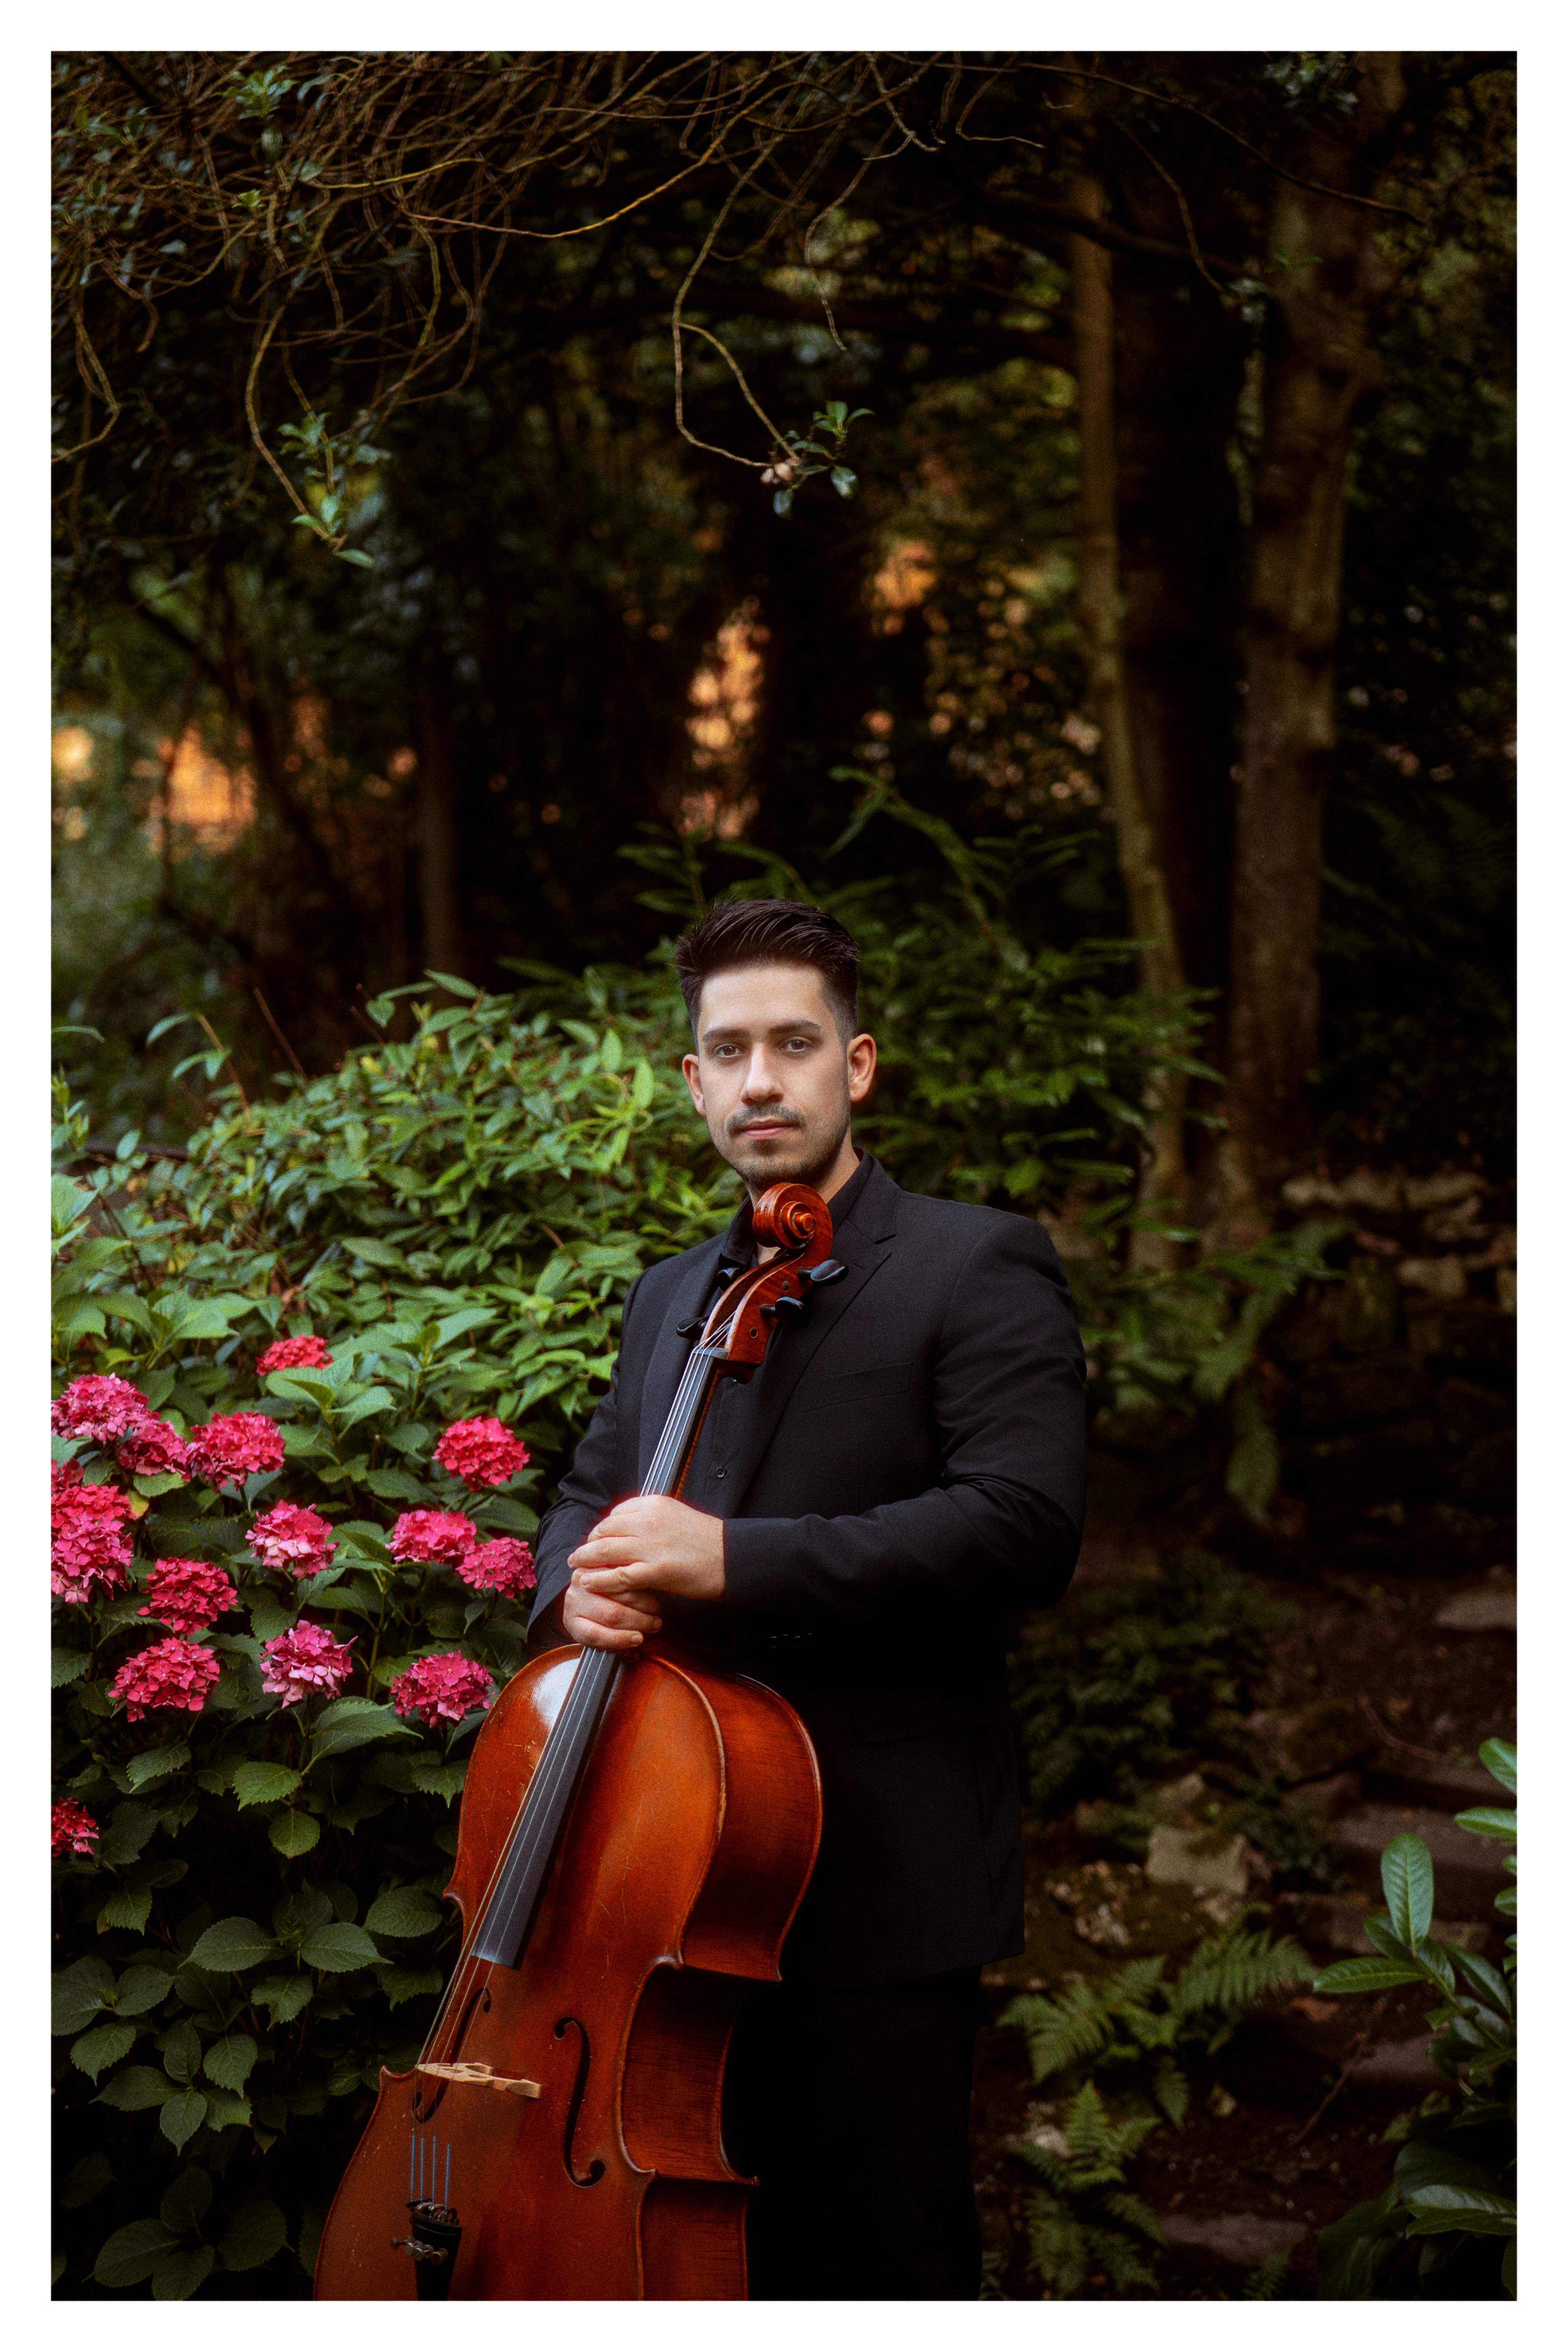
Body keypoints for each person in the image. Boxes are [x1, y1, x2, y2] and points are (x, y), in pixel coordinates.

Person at [527, 896, 1085, 2299]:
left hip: (881, 1870)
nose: (761, 1078)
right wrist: (569, 1595)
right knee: (710, 2251)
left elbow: (1023, 1528)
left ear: (860, 1064)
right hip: (662, 1867)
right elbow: (589, 1502)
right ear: (695, 1080)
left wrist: (736, 1562)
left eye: (793, 1042)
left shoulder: (976, 1262)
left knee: (883, 2253)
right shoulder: (671, 1295)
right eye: (730, 1050)